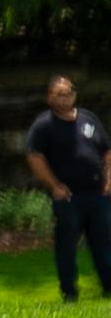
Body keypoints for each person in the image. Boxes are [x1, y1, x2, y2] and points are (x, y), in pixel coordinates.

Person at [31, 78, 111, 302]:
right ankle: (70, 292)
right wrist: (55, 186)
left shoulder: (89, 119)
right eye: (59, 94)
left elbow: (107, 151)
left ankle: (109, 287)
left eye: (68, 93)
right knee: (66, 246)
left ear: (74, 95)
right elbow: (35, 157)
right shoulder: (44, 125)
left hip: (98, 195)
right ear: (50, 97)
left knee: (104, 243)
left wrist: (109, 180)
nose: (65, 98)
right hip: (68, 198)